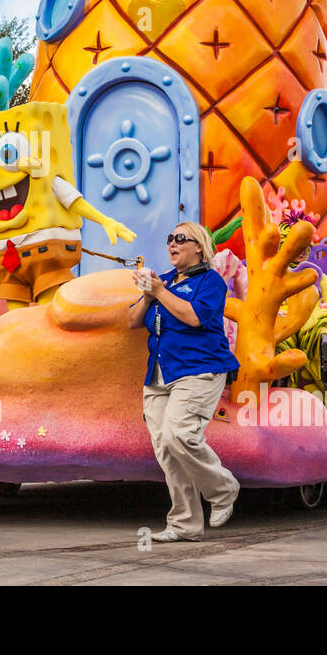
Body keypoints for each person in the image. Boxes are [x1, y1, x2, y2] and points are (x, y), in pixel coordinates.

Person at [125, 222, 240, 541]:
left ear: (199, 247)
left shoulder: (210, 281)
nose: (172, 244)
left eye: (180, 239)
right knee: (165, 447)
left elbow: (193, 317)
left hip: (199, 369)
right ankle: (184, 524)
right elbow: (133, 321)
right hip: (159, 373)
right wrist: (149, 294)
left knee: (180, 435)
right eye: (169, 239)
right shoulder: (162, 281)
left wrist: (158, 291)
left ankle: (224, 489)